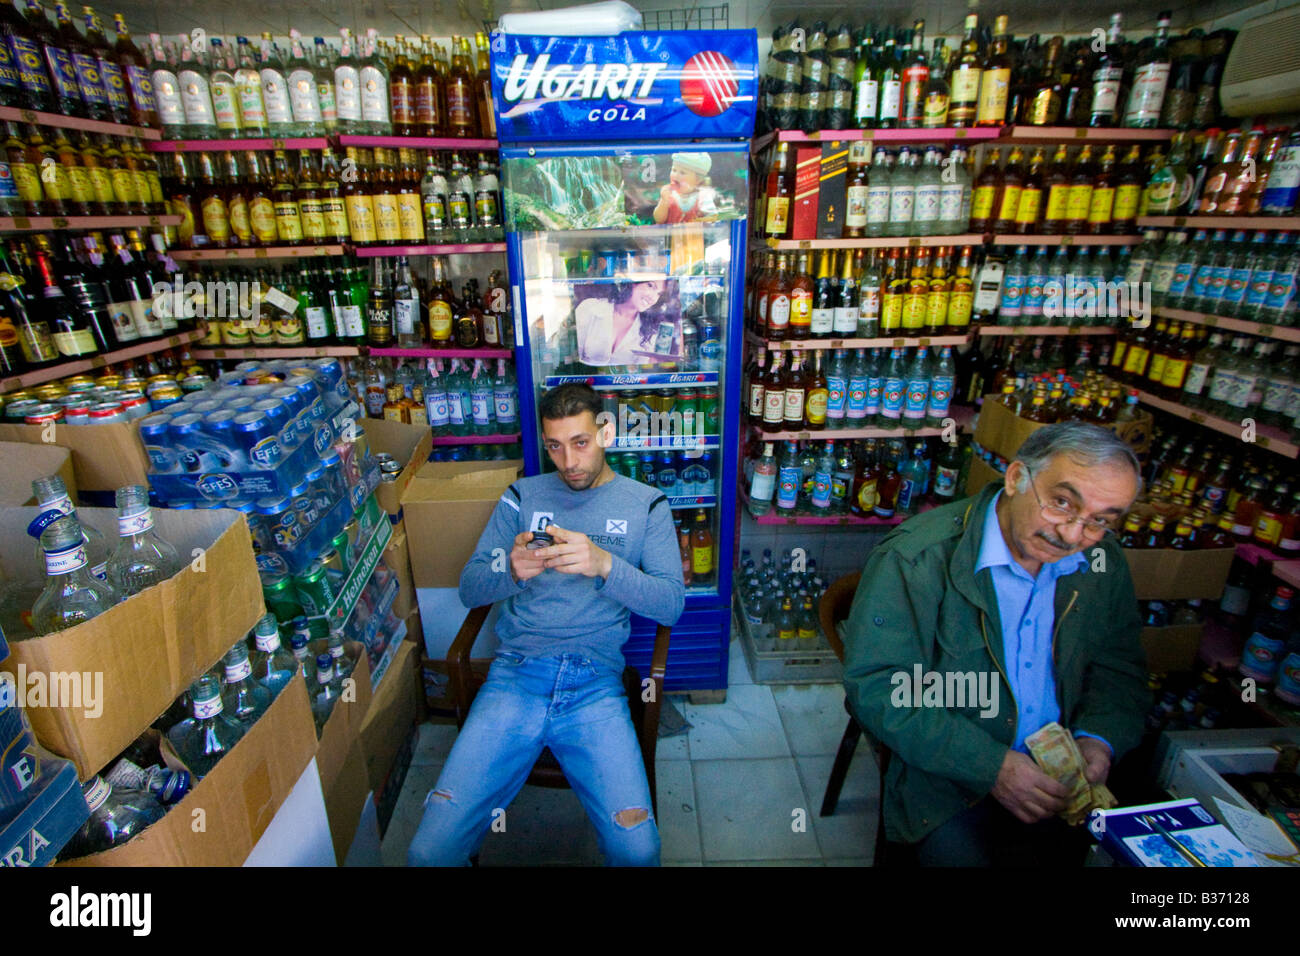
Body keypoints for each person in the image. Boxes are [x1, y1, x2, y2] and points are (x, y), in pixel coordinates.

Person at [841, 423, 1148, 866]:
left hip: (1062, 778)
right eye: (1062, 503)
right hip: (949, 778)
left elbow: (1121, 669)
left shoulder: (1100, 562)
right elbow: (879, 686)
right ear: (1016, 477)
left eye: (1100, 521)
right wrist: (993, 767)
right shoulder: (919, 558)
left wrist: (1099, 740)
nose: (1072, 535)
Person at [406, 383, 685, 867]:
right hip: (516, 674)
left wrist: (603, 565)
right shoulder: (521, 496)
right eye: (554, 446)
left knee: (638, 851)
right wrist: (510, 570)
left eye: (580, 443)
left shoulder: (647, 505)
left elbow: (670, 605)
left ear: (607, 433)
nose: (568, 461)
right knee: (428, 852)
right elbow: (471, 588)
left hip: (595, 684)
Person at [575, 279, 668, 366]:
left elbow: (639, 374)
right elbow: (573, 360)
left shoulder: (649, 333)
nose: (653, 298)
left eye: (659, 293)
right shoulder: (590, 308)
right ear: (633, 282)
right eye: (650, 286)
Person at [653, 151, 718, 224]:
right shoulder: (668, 194)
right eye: (674, 170)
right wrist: (664, 201)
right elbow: (658, 220)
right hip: (671, 235)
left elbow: (713, 218)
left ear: (698, 180)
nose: (676, 175)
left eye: (682, 173)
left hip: (694, 235)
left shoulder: (703, 196)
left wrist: (699, 222)